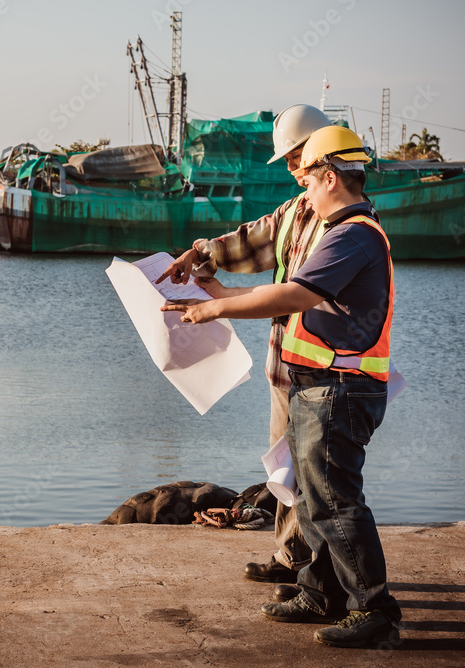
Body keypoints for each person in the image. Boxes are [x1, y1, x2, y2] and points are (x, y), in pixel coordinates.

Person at [160, 125, 400, 648]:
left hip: (339, 390)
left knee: (335, 501)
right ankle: (322, 592)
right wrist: (216, 290)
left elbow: (293, 295)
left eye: (309, 179)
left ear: (331, 177)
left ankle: (375, 609)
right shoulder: (342, 229)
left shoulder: (352, 235)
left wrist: (214, 307)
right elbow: (287, 292)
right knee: (311, 498)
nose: (304, 191)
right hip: (317, 387)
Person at [156, 104, 334, 585]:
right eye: (292, 162)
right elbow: (249, 239)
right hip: (286, 367)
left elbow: (293, 294)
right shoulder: (295, 213)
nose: (295, 170)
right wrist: (199, 254)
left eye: (299, 159)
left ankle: (323, 576)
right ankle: (291, 558)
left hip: (325, 374)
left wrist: (218, 304)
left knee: (321, 478)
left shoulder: (340, 225)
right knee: (286, 472)